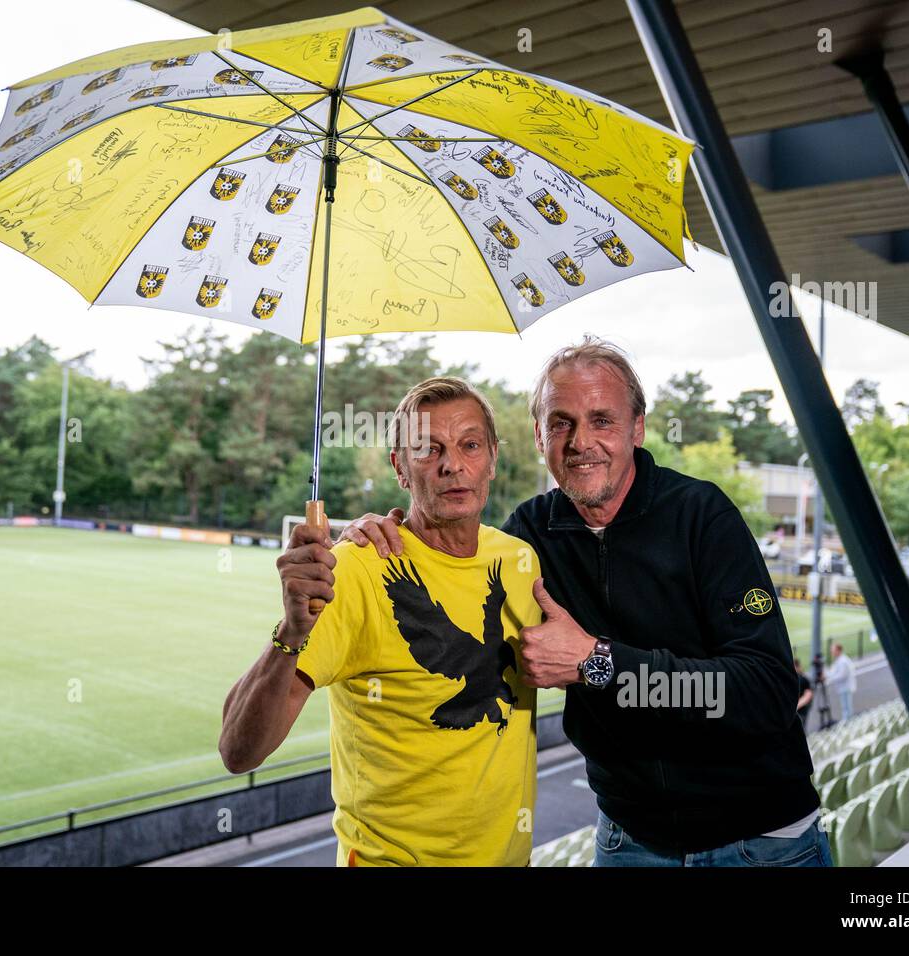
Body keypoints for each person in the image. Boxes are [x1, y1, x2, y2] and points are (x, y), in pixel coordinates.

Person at [341, 338, 831, 867]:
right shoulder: (528, 535)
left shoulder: (701, 515)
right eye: (561, 423)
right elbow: (449, 562)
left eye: (602, 420)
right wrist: (376, 531)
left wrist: (599, 662)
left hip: (761, 841)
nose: (580, 442)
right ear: (538, 436)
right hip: (629, 841)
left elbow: (768, 691)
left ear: (637, 428)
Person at [218, 377, 544, 866]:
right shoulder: (354, 569)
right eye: (427, 449)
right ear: (400, 468)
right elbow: (238, 751)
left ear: (493, 458)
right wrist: (290, 633)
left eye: (469, 445)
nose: (452, 464)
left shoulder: (520, 561)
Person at [826, 642, 857, 723]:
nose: (832, 652)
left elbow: (842, 675)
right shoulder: (839, 660)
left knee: (847, 707)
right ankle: (848, 721)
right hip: (843, 687)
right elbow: (832, 672)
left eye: (833, 650)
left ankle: (848, 722)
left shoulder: (843, 661)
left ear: (838, 650)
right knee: (845, 707)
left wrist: (830, 678)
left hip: (845, 687)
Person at [794, 657, 814, 730]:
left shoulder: (803, 679)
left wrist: (796, 706)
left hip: (800, 711)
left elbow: (808, 695)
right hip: (797, 712)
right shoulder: (800, 679)